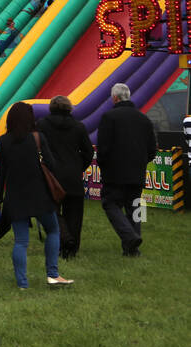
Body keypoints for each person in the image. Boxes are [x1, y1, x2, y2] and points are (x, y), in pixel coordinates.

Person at [0, 101, 72, 288]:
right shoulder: (37, 138)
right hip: (40, 195)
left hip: (15, 196)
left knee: (21, 241)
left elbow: (1, 173)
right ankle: (52, 274)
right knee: (53, 230)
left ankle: (22, 283)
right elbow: (51, 164)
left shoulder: (4, 141)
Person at [95, 82, 156, 257]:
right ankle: (133, 249)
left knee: (111, 204)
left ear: (114, 98)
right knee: (136, 207)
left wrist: (103, 165)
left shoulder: (109, 117)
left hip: (114, 173)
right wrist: (141, 162)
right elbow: (152, 149)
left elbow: (103, 147)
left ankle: (130, 237)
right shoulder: (144, 118)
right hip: (137, 172)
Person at [35, 95, 94, 258]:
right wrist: (79, 166)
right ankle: (71, 248)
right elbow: (88, 152)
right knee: (74, 213)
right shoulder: (79, 127)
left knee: (51, 210)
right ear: (69, 108)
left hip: (51, 175)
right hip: (73, 175)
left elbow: (35, 147)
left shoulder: (42, 125)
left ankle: (64, 237)